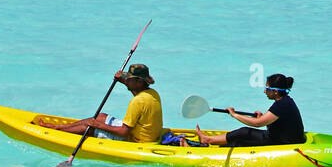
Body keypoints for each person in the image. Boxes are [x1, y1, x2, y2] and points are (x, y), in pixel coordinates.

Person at [33, 63, 164, 142]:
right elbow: (135, 91)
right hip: (144, 133)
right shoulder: (152, 93)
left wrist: (97, 125)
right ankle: (59, 128)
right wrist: (122, 81)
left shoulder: (137, 101)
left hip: (136, 139)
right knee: (101, 116)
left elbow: (124, 132)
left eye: (129, 79)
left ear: (139, 82)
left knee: (89, 128)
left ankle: (57, 131)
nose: (127, 81)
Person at [194, 73, 305, 146]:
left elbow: (257, 124)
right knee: (241, 137)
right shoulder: (286, 101)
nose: (265, 92)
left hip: (284, 143)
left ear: (275, 91)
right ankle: (211, 142)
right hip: (283, 139)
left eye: (267, 89)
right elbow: (275, 122)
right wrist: (262, 117)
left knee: (244, 132)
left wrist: (234, 115)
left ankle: (207, 140)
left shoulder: (282, 104)